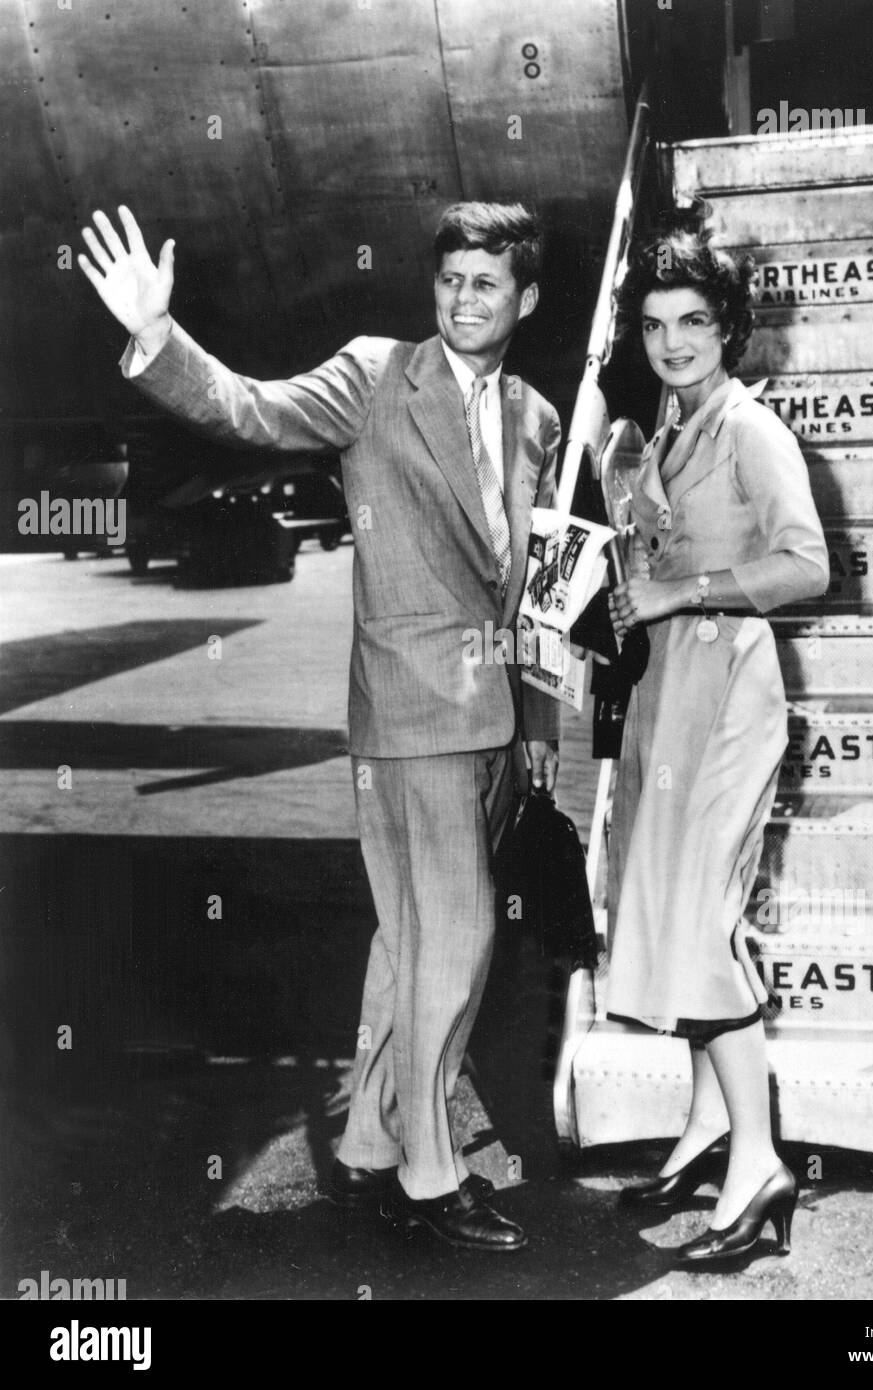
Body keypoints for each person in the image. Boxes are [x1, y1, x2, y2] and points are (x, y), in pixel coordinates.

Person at [78, 202, 561, 1253]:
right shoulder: (375, 377)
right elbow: (250, 410)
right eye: (449, 281)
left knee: (408, 944)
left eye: (487, 284)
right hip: (408, 713)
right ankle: (433, 1173)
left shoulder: (535, 415)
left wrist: (537, 726)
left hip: (493, 717)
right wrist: (158, 338)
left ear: (524, 297)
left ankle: (366, 1153)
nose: (463, 299)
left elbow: (527, 590)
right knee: (460, 942)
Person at [606, 218, 829, 1267]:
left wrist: (674, 590)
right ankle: (703, 1127)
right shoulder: (669, 428)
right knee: (671, 915)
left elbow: (805, 566)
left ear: (729, 328)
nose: (672, 342)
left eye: (693, 322)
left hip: (730, 696)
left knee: (699, 926)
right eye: (654, 325)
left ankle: (760, 1164)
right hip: (668, 698)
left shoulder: (749, 428)